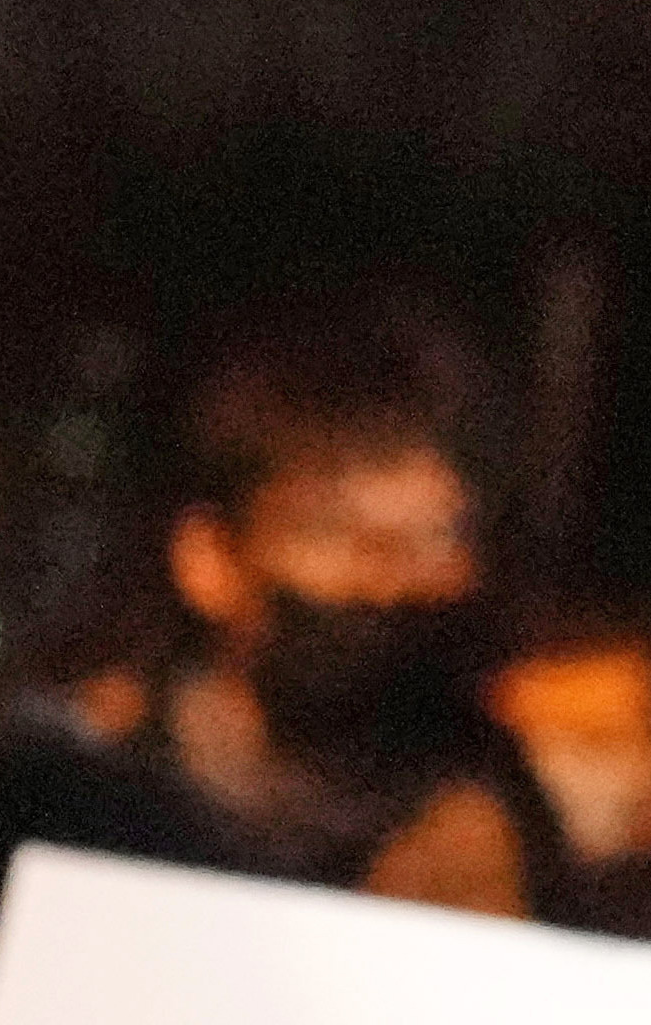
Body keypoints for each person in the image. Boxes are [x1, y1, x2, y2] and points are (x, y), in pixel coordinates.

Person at [140, 302, 547, 912]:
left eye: (433, 539)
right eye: (332, 533)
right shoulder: (90, 806)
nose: (386, 583)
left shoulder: (499, 803)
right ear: (210, 561)